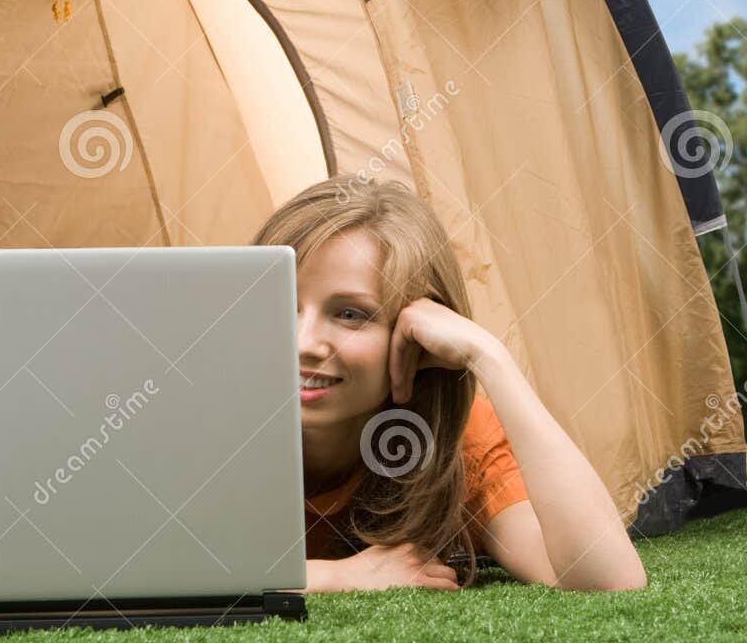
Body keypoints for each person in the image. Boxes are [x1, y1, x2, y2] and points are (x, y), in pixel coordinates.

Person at [255, 176, 647, 593]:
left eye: (350, 314)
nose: (303, 343)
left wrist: (490, 358)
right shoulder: (202, 419)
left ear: (412, 334)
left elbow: (606, 579)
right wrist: (338, 576)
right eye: (280, 303)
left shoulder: (459, 441)